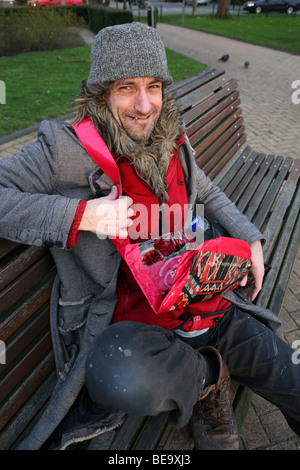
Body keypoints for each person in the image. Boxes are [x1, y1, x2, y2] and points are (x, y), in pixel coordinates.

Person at [0, 22, 299, 450]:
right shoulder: (64, 150)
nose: (144, 105)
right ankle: (209, 378)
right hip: (140, 336)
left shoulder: (169, 135)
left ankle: (204, 368)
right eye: (126, 87)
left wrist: (249, 236)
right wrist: (83, 215)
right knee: (116, 376)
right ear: (102, 93)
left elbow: (207, 188)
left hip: (210, 307)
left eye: (153, 86)